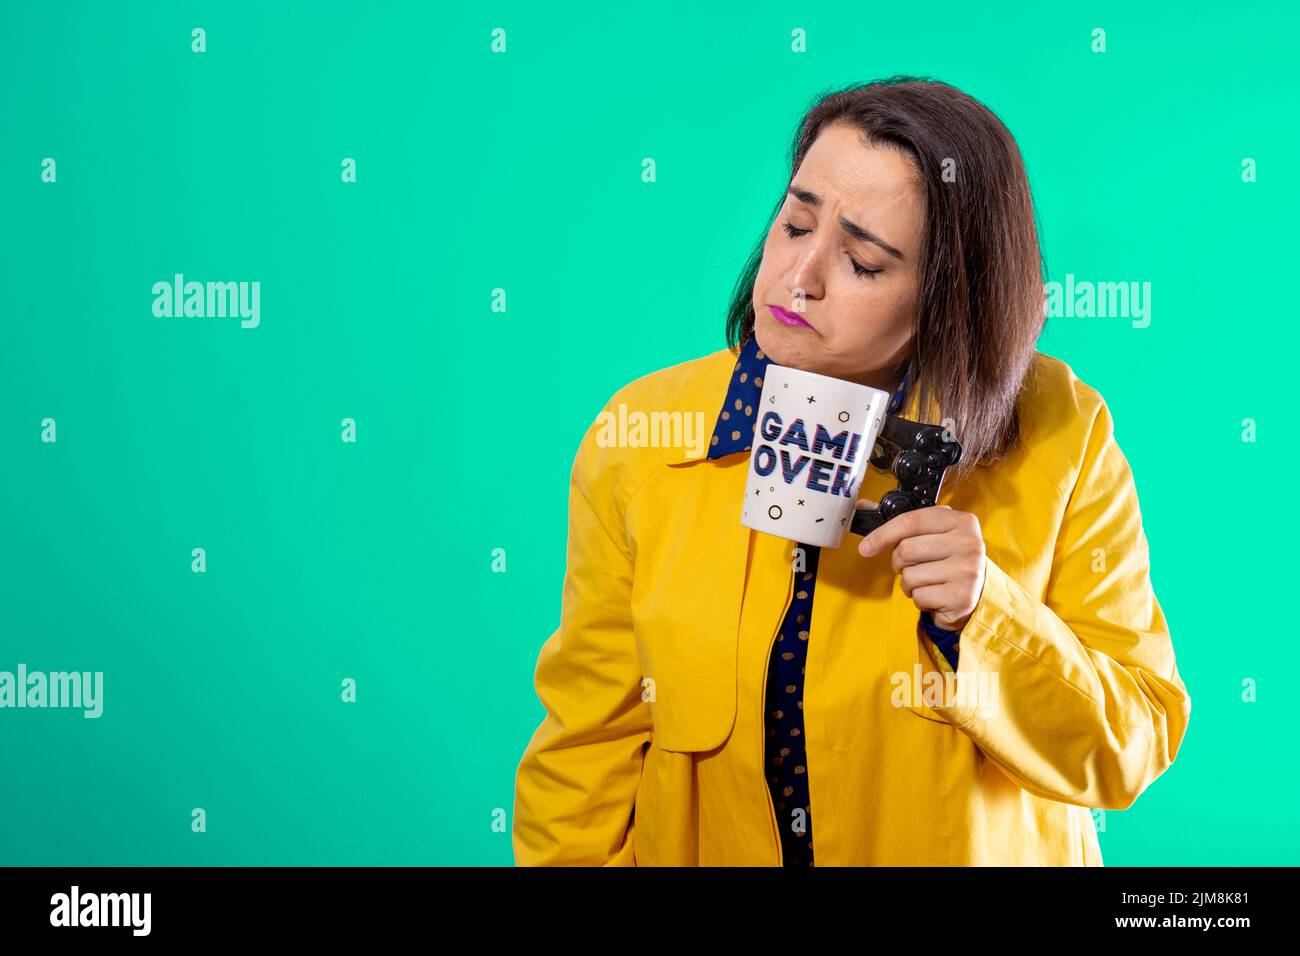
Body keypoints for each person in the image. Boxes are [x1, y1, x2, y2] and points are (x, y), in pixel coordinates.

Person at [511, 76, 1191, 866]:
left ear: (949, 302)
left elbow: (1133, 741)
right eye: (795, 224)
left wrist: (988, 616)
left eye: (864, 263)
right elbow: (587, 751)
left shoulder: (1064, 433)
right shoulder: (641, 436)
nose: (801, 277)